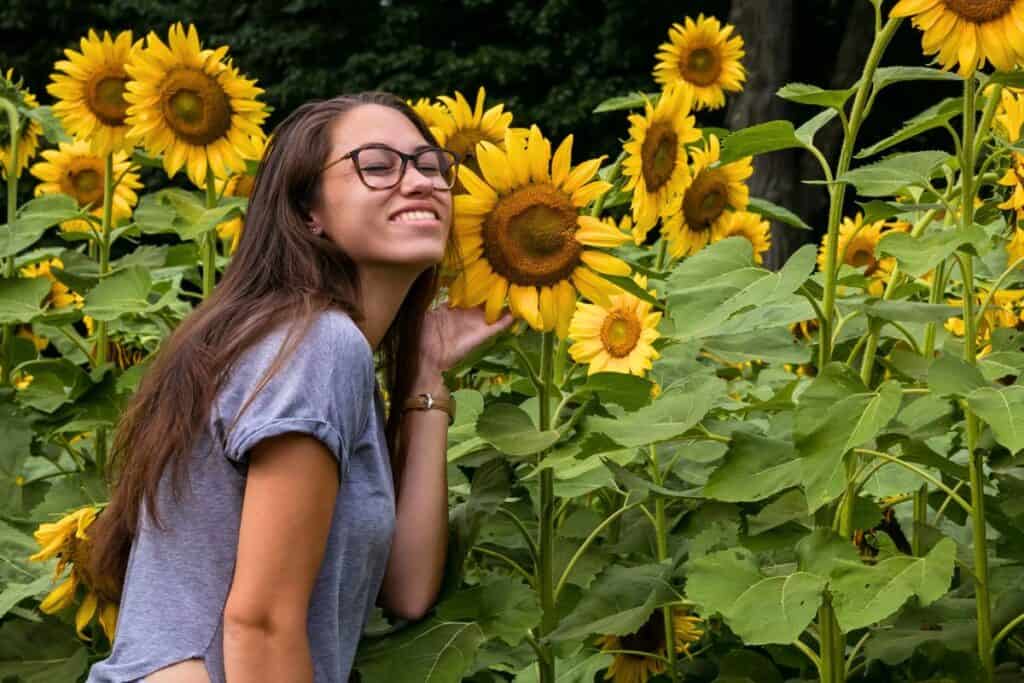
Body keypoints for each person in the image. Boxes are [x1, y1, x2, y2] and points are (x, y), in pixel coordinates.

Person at [85, 91, 514, 683]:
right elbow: (260, 622)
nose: (420, 182)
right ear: (308, 211)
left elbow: (408, 589)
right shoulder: (318, 346)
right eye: (378, 164)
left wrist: (425, 372)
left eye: (429, 163)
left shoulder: (323, 352)